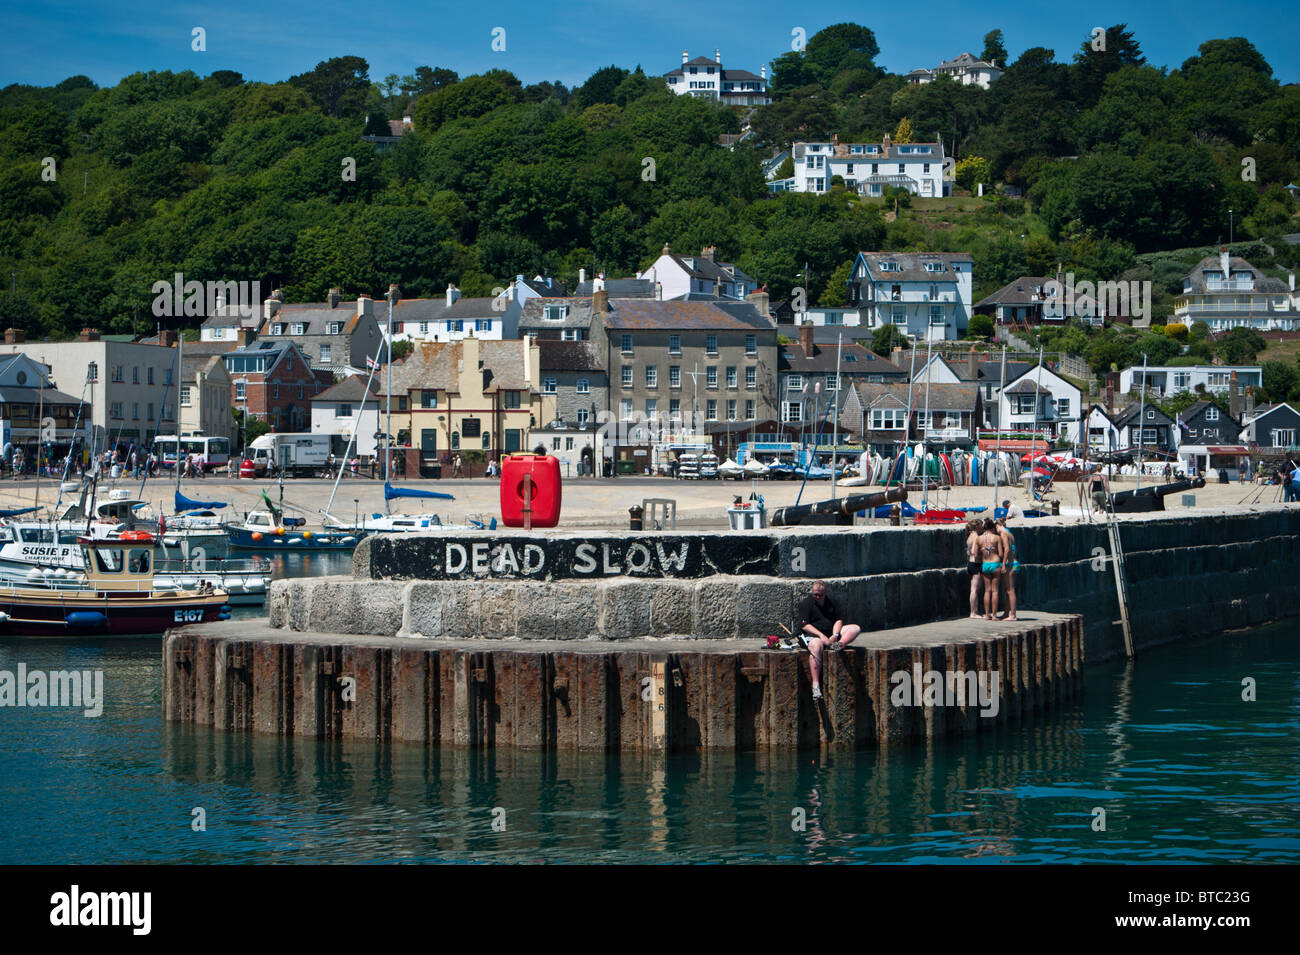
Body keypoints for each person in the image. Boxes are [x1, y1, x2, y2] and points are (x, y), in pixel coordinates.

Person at [797, 579, 862, 701]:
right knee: (817, 646)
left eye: (820, 595)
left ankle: (839, 645)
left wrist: (835, 635)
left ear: (825, 593)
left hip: (831, 634)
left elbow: (838, 620)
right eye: (815, 594)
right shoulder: (807, 603)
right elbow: (805, 625)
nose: (817, 597)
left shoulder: (833, 602)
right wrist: (822, 636)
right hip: (812, 635)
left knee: (855, 628)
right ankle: (816, 685)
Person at [977, 519, 1005, 621]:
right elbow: (1001, 554)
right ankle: (994, 615)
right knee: (995, 591)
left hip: (985, 564)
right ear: (992, 528)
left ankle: (987, 614)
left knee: (987, 590)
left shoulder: (979, 539)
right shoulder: (997, 537)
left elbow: (976, 554)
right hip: (995, 563)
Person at [996, 518, 1019, 621]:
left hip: (1010, 564)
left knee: (1010, 590)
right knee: (1008, 590)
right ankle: (1006, 613)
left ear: (997, 526)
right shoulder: (1009, 532)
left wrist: (1004, 564)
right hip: (1015, 563)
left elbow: (1007, 549)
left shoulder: (1003, 533)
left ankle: (1013, 615)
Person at [965, 519, 984, 619]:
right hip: (976, 563)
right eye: (981, 526)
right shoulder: (976, 536)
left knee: (974, 589)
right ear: (977, 527)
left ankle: (974, 611)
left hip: (971, 563)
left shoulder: (970, 536)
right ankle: (973, 612)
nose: (982, 527)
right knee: (975, 589)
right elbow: (973, 551)